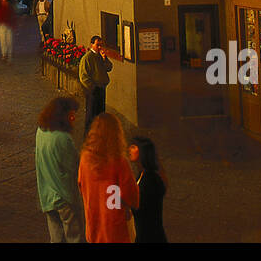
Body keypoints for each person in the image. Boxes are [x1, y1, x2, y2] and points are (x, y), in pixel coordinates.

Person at [77, 112, 138, 243]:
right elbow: (132, 196)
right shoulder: (119, 162)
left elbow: (81, 186)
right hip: (116, 229)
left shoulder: (85, 159)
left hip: (93, 226)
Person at [35, 96, 82, 243]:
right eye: (72, 114)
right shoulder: (63, 139)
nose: (74, 118)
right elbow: (75, 166)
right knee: (74, 238)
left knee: (56, 238)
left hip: (47, 195)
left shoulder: (41, 132)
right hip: (64, 197)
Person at [129, 136, 167, 243]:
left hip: (151, 237)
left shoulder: (151, 179)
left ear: (143, 151)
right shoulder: (142, 175)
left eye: (133, 147)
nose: (129, 149)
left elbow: (142, 208)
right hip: (144, 234)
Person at [78, 35, 113, 135]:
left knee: (100, 114)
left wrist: (105, 58)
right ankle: (88, 136)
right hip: (93, 90)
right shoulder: (87, 58)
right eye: (97, 45)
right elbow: (83, 76)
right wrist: (93, 88)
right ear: (92, 44)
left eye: (101, 45)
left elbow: (109, 68)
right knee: (91, 115)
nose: (99, 47)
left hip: (102, 88)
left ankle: (99, 135)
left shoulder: (100, 56)